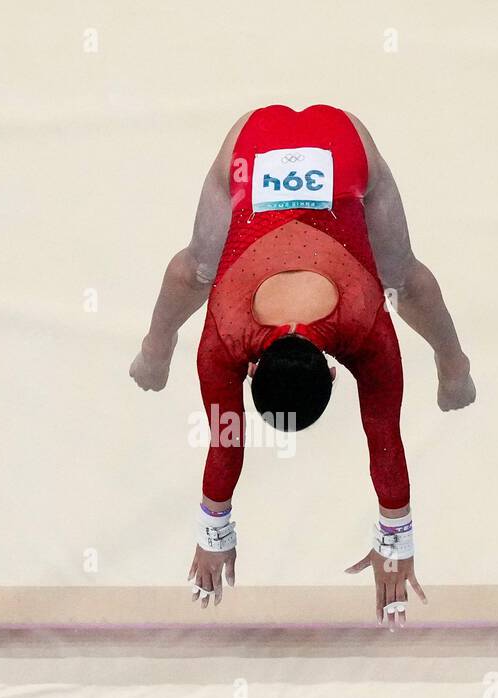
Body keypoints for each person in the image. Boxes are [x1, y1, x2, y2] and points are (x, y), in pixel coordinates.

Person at [130, 105, 475, 626]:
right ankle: (455, 366)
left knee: (199, 266)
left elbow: (382, 440)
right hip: (273, 146)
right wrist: (212, 535)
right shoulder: (228, 337)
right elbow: (229, 445)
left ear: (332, 370)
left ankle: (154, 351)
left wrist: (396, 544)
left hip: (319, 149)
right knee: (396, 272)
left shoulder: (363, 326)